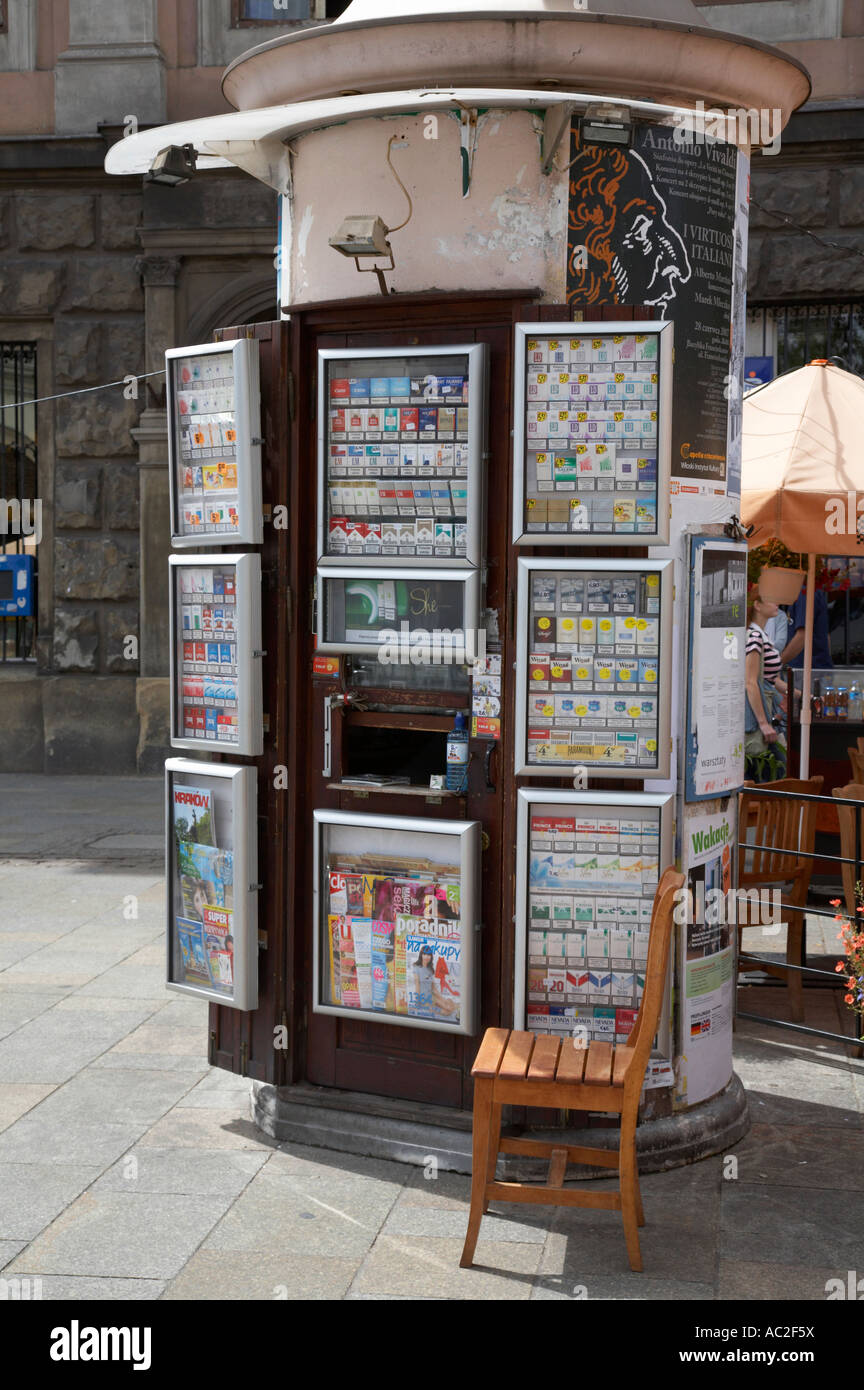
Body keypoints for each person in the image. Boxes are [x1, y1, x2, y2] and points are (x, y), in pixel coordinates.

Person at [745, 591, 788, 782]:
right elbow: (751, 681)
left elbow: (769, 678)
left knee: (774, 770)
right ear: (757, 605)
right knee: (773, 771)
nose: (776, 602)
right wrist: (763, 723)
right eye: (770, 599)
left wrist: (797, 694)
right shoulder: (755, 636)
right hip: (757, 718)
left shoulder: (760, 635)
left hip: (764, 711)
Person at [780, 584, 833, 671]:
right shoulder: (809, 592)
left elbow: (803, 635)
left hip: (807, 669)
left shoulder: (804, 594)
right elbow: (826, 635)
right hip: (814, 667)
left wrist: (777, 663)